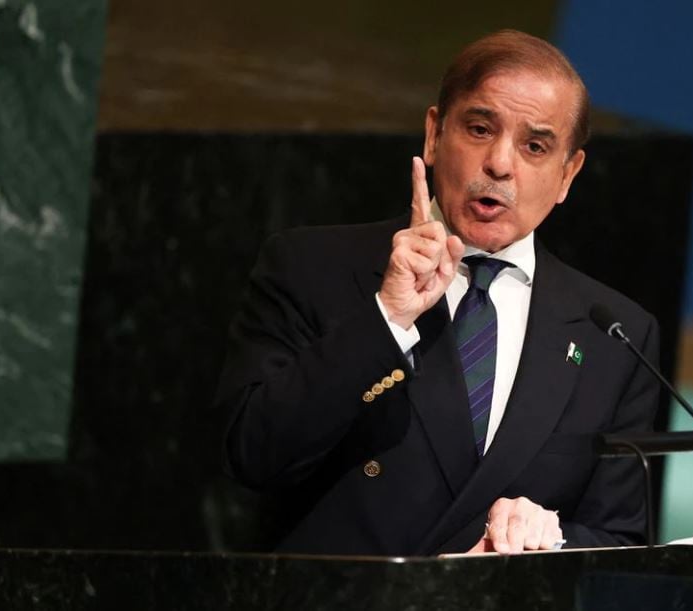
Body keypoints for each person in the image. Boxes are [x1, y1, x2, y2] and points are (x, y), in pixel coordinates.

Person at [216, 29, 659, 556]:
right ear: (433, 134)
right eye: (478, 128)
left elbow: (619, 543)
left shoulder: (615, 335)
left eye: (534, 146)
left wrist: (547, 541)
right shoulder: (313, 268)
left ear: (568, 174)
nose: (499, 164)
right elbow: (253, 456)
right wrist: (386, 318)